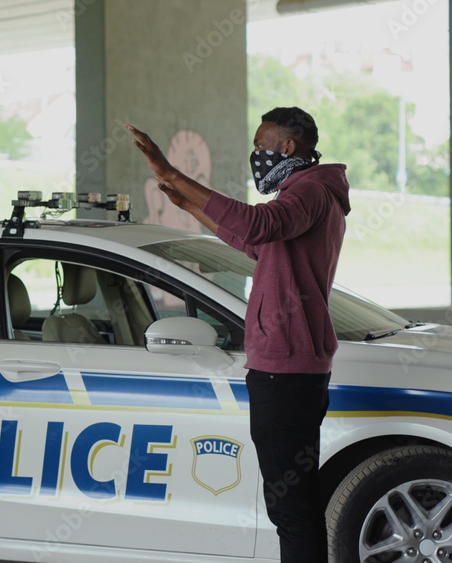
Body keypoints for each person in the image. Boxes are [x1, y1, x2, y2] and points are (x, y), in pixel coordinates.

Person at [128, 107, 350, 563]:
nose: (256, 155)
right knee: (294, 502)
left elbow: (257, 225)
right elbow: (253, 242)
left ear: (286, 147)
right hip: (288, 366)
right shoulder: (307, 194)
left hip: (285, 369)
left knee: (290, 507)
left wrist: (173, 173)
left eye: (259, 145)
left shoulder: (308, 192)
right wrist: (188, 204)